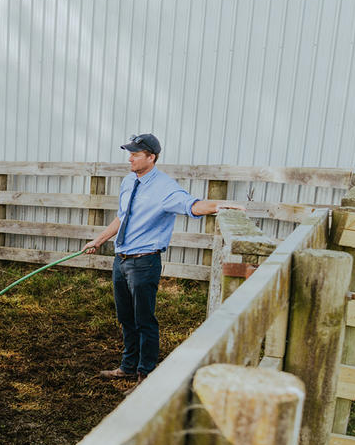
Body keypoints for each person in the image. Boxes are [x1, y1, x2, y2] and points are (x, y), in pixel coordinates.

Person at [83, 133, 243, 384]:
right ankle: (128, 366)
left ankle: (145, 374)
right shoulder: (129, 181)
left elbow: (191, 205)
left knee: (144, 319)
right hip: (121, 260)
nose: (130, 159)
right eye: (130, 154)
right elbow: (122, 217)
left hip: (144, 262)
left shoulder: (165, 188)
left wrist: (217, 206)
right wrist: (99, 240)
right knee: (125, 317)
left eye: (135, 154)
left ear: (151, 157)